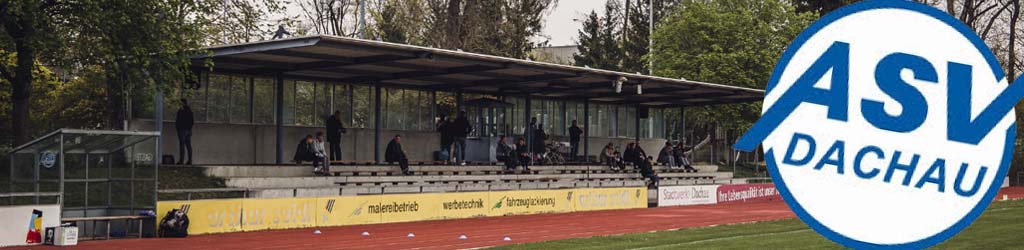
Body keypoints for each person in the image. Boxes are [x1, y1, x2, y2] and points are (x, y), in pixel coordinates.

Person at [175, 99, 195, 165]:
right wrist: (189, 128)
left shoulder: (181, 110)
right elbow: (192, 121)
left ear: (183, 103)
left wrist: (178, 128)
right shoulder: (190, 111)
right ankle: (190, 160)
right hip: (188, 130)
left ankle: (181, 160)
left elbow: (178, 120)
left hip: (182, 130)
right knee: (188, 145)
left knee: (182, 145)